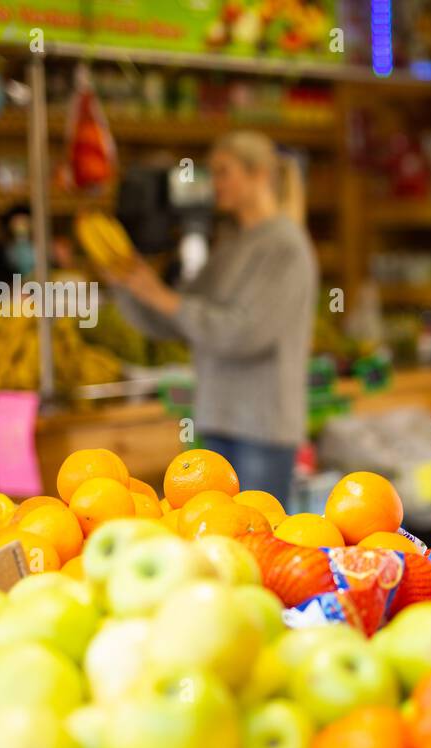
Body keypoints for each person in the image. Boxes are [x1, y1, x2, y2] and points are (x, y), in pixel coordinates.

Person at [111, 131, 316, 503]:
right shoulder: (231, 244)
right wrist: (130, 287)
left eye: (224, 172)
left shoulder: (285, 246)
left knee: (258, 543)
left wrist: (165, 298)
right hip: (218, 419)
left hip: (262, 429)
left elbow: (246, 333)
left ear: (259, 175)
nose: (214, 183)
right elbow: (178, 319)